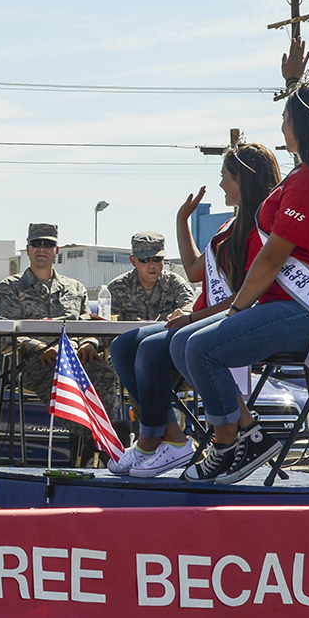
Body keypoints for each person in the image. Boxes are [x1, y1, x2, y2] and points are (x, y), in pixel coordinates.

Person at [176, 67, 309, 484]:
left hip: (302, 312)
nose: (281, 126)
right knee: (181, 344)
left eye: (286, 118)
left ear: (303, 124)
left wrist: (236, 308)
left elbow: (269, 261)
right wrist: (293, 83)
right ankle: (249, 435)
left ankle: (228, 444)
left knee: (200, 348)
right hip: (287, 308)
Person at [108, 143, 282, 477]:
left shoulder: (259, 232)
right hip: (201, 320)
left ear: (244, 179)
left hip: (226, 323)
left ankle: (151, 442)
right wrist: (181, 220)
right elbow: (192, 271)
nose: (220, 185)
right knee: (123, 346)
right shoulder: (229, 227)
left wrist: (190, 318)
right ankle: (172, 439)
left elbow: (242, 299)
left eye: (225, 177)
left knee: (150, 349)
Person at [0, 222, 120, 459]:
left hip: (75, 358)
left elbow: (87, 323)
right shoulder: (10, 288)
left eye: (48, 244)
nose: (42, 248)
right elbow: (3, 334)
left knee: (105, 374)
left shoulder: (75, 288)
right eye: (36, 244)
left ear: (56, 250)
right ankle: (97, 445)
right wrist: (37, 346)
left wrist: (88, 343)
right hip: (35, 363)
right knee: (66, 382)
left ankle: (100, 440)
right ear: (28, 249)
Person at [106, 233, 195, 322]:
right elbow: (108, 326)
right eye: (145, 260)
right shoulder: (117, 288)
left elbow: (191, 306)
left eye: (157, 259)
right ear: (133, 261)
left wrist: (184, 314)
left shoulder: (175, 283)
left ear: (163, 259)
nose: (152, 265)